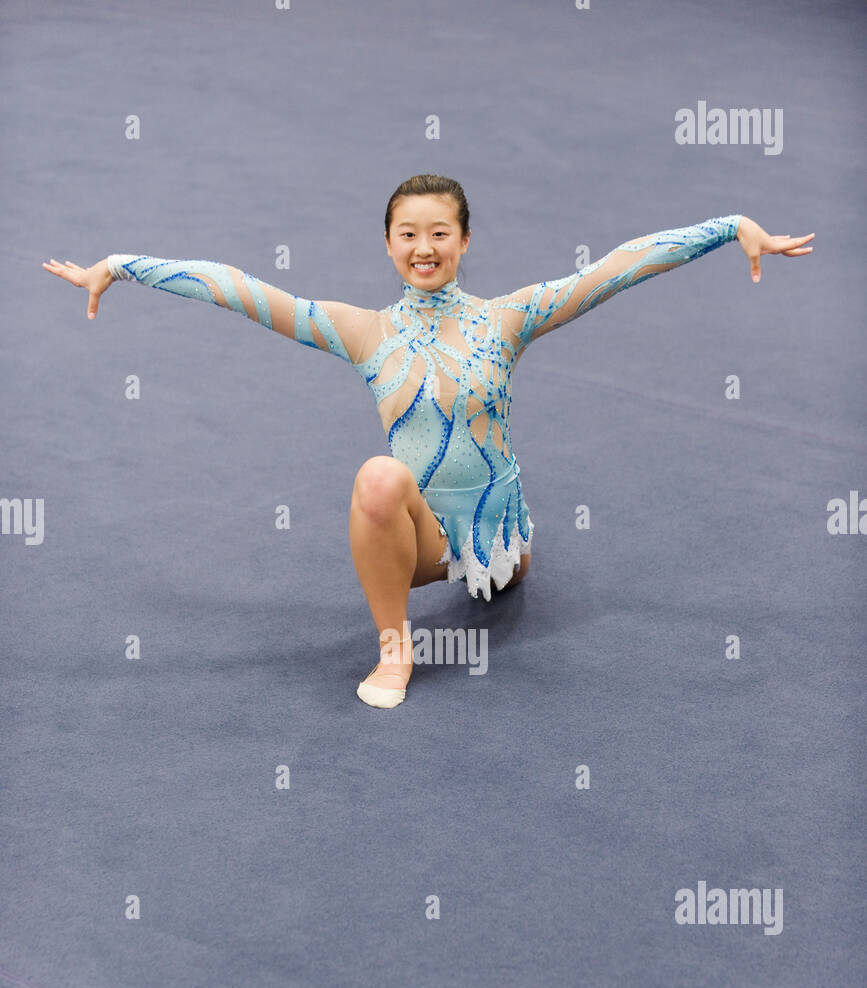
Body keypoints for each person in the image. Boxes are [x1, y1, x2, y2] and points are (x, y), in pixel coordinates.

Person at [42, 174, 814, 708]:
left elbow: (613, 270)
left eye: (438, 232)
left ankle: (498, 560)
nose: (423, 247)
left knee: (501, 572)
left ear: (464, 239)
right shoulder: (363, 331)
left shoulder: (509, 318)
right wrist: (121, 266)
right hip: (420, 546)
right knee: (379, 477)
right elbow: (245, 290)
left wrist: (726, 229)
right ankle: (394, 647)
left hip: (498, 541)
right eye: (407, 234)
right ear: (386, 244)